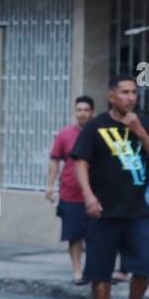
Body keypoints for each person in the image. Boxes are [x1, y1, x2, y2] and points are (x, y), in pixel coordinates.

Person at [71, 74, 149, 299]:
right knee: (100, 273)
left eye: (134, 92)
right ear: (111, 96)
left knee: (145, 265)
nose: (131, 97)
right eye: (124, 92)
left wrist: (140, 131)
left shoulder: (143, 123)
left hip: (138, 211)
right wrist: (88, 197)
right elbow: (81, 163)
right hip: (103, 212)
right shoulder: (96, 126)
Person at [47, 96, 95, 285]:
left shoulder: (98, 133)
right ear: (75, 112)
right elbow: (54, 160)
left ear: (92, 112)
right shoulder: (64, 135)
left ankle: (93, 271)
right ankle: (77, 272)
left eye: (86, 110)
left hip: (95, 194)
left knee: (94, 236)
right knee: (74, 236)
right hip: (69, 193)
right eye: (79, 110)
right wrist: (50, 186)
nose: (82, 113)